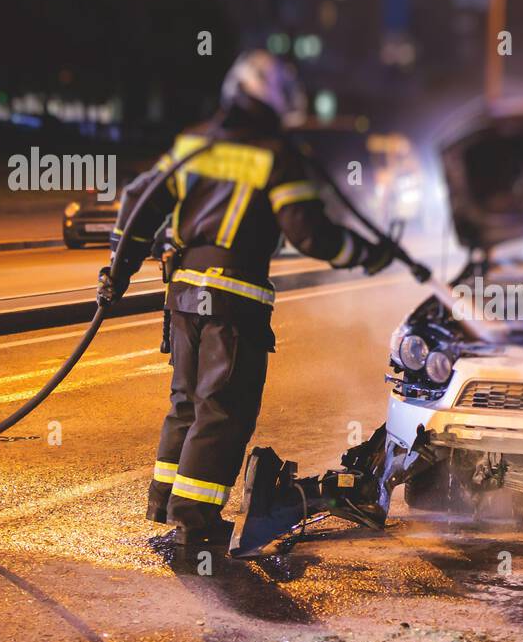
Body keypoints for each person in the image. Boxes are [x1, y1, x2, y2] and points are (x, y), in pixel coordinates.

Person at [97, 50, 395, 546]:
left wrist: (118, 271)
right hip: (232, 301)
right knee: (223, 411)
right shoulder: (276, 155)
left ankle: (166, 505)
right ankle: (195, 527)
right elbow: (311, 235)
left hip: (185, 296)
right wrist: (366, 253)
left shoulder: (196, 143)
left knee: (187, 405)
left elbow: (137, 201)